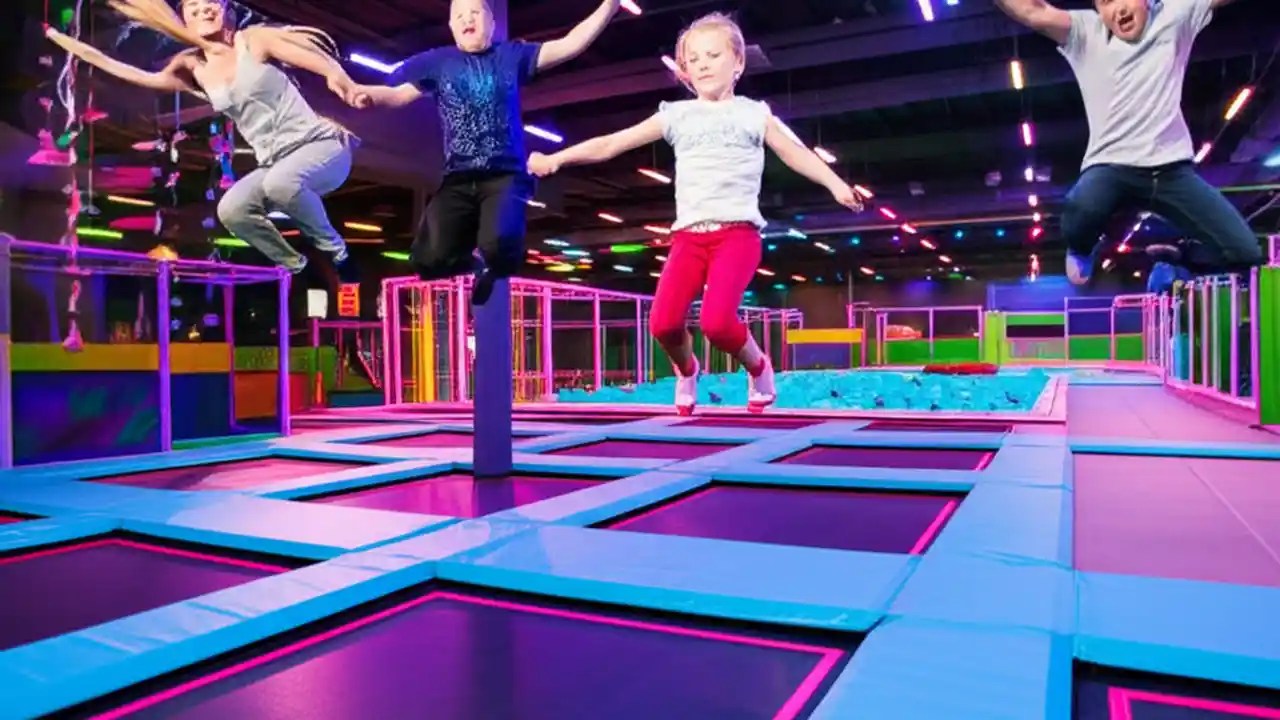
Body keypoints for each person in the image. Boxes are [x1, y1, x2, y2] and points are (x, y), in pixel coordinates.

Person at [526, 12, 863, 415]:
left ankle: (759, 367)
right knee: (663, 323)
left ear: (737, 62)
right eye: (693, 59)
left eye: (713, 55)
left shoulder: (753, 114)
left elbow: (795, 152)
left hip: (737, 234)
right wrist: (557, 158)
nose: (702, 64)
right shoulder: (677, 116)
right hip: (688, 237)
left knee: (718, 322)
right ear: (684, 70)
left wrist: (835, 184)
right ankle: (687, 370)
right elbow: (613, 143)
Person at [46, 0, 363, 282]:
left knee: (280, 184)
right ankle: (296, 265)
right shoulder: (191, 66)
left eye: (211, 3)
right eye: (193, 7)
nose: (204, 10)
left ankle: (338, 252)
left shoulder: (252, 40)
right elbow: (127, 71)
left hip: (322, 147)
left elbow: (314, 58)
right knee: (232, 210)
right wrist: (61, 40)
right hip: (276, 163)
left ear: (226, 9)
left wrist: (337, 77)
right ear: (184, 17)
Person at [350, 0, 625, 305]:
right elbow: (398, 94)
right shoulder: (438, 63)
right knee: (426, 261)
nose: (467, 19)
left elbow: (570, 44)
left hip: (504, 174)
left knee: (498, 244)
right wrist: (364, 94)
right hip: (458, 176)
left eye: (475, 13)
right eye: (459, 16)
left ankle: (494, 261)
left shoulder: (511, 56)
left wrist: (610, 5)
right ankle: (476, 265)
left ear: (491, 23)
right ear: (452, 27)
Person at [992, 0, 1262, 284]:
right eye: (1106, 3)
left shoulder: (1175, 13)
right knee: (1083, 206)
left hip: (1171, 172)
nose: (1118, 9)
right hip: (1110, 168)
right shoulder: (1085, 32)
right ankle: (1083, 247)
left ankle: (1183, 256)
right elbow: (1033, 11)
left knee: (1246, 254)